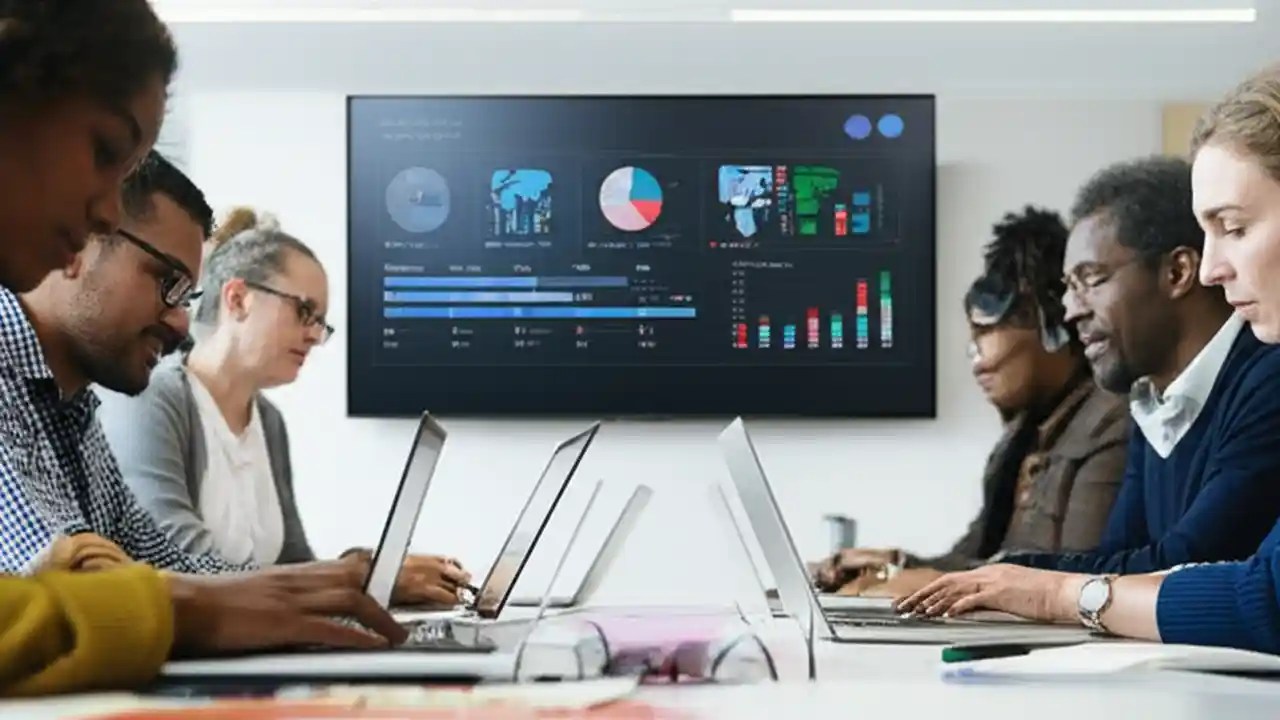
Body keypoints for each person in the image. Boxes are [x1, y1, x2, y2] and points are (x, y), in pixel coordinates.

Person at [0, 0, 405, 697]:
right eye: (101, 153)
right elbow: (59, 575)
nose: (100, 207)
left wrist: (337, 584)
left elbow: (151, 567)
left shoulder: (76, 410)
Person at [898, 141, 1280, 654]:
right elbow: (1122, 557)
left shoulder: (1268, 377)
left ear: (1177, 273)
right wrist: (996, 583)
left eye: (1091, 282)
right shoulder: (1150, 398)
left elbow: (1196, 563)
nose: (1071, 312)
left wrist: (1030, 587)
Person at [97, 206, 470, 605]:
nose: (313, 335)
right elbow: (177, 562)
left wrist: (375, 578)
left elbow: (295, 564)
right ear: (237, 299)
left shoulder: (268, 422)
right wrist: (358, 577)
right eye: (304, 311)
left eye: (320, 323)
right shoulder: (154, 398)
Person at [813, 207, 1128, 595]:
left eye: (985, 332)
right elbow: (977, 556)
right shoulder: (1018, 441)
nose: (977, 359)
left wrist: (905, 583)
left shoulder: (1112, 422)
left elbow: (1077, 580)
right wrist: (895, 564)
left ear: (1051, 323)